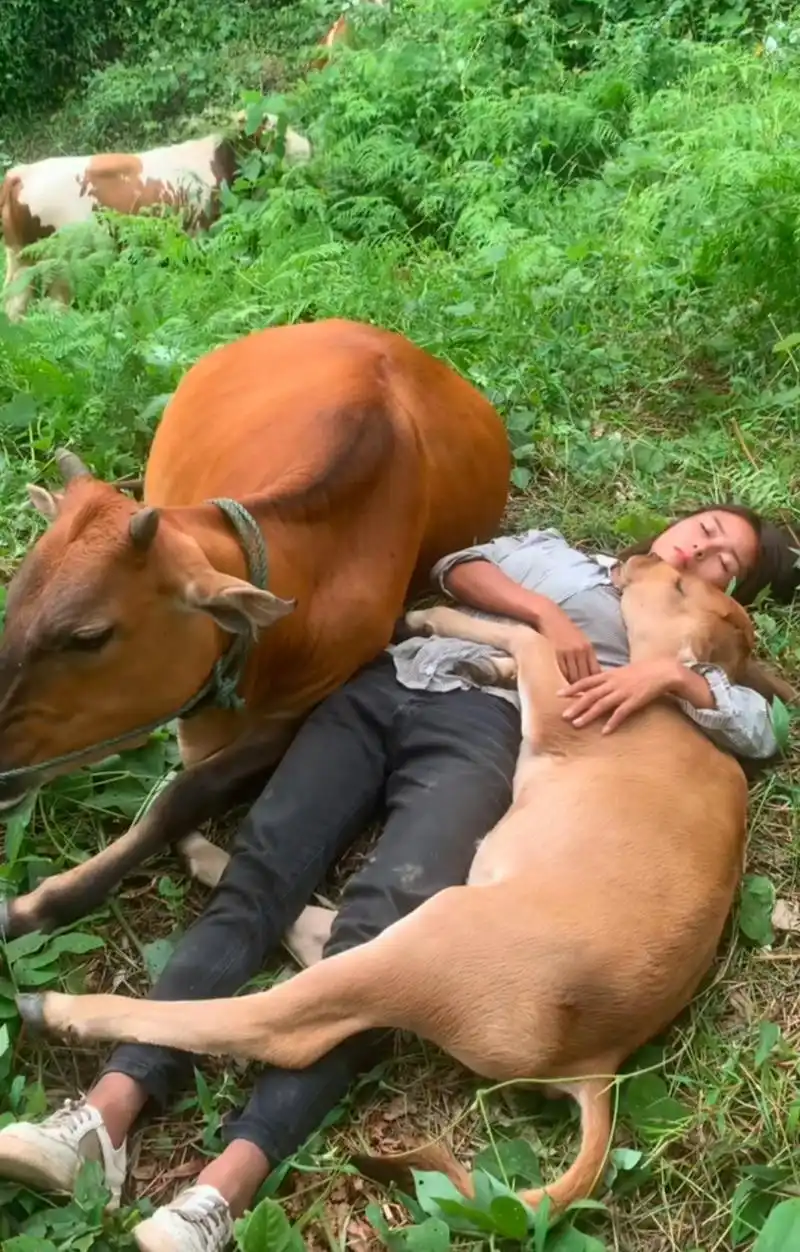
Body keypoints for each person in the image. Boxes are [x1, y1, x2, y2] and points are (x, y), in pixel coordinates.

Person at [0, 504, 796, 1252]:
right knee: (260, 875)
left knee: (379, 936)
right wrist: (542, 617)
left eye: (721, 565)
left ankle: (222, 1190)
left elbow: (764, 727)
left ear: (725, 609)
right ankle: (101, 1117)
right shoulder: (557, 555)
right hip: (389, 683)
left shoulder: (679, 661)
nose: (697, 552)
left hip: (489, 735)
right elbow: (457, 568)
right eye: (707, 529)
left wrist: (671, 678)